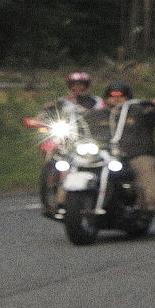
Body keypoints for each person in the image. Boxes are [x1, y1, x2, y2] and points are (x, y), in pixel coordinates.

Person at [23, 71, 101, 216]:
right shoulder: (61, 102)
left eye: (81, 85)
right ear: (70, 86)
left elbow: (109, 116)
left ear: (87, 86)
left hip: (93, 138)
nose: (78, 88)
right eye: (74, 85)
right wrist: (36, 120)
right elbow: (44, 113)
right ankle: (50, 178)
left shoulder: (98, 102)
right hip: (68, 137)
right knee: (50, 146)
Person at [95, 82, 155, 211]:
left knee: (145, 166)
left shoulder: (139, 112)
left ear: (128, 98)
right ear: (106, 98)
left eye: (121, 96)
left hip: (134, 155)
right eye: (112, 96)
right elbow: (78, 126)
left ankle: (148, 205)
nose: (116, 99)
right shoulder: (96, 114)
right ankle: (63, 201)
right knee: (74, 164)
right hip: (103, 156)